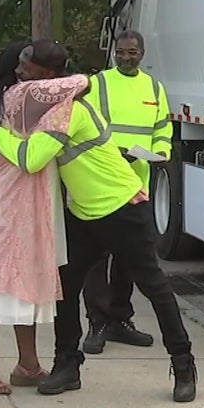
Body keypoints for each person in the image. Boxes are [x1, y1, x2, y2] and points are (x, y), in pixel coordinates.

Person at [0, 51, 198, 403]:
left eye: (26, 66)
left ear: (48, 74)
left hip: (121, 207)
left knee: (154, 287)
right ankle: (67, 365)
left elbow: (30, 159)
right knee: (65, 288)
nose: (19, 72)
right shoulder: (51, 105)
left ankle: (184, 364)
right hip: (84, 213)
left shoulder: (66, 111)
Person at [0, 40, 88, 395]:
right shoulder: (25, 95)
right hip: (8, 200)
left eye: (26, 62)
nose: (20, 68)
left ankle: (27, 364)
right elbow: (82, 82)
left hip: (17, 198)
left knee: (22, 283)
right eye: (20, 62)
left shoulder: (7, 93)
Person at [79, 30, 173, 355]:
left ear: (142, 54)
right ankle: (97, 322)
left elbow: (162, 127)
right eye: (120, 52)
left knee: (129, 258)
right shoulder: (99, 83)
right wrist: (114, 152)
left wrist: (161, 152)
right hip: (102, 183)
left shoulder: (154, 88)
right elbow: (86, 126)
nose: (125, 57)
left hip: (137, 184)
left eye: (131, 52)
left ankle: (120, 319)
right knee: (96, 258)